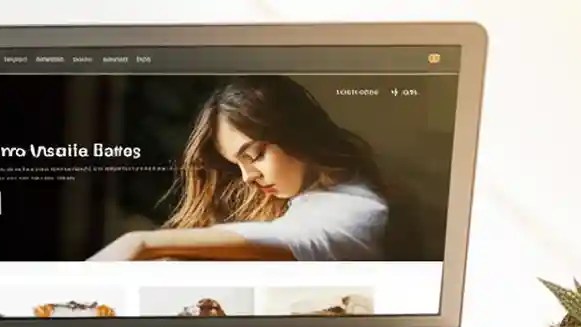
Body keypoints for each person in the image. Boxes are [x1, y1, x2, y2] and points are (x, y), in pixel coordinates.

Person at [88, 76, 389, 261]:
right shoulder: (307, 198)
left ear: (295, 132)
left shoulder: (359, 206)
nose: (248, 177)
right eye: (237, 164)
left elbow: (300, 237)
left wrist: (143, 242)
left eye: (255, 155)